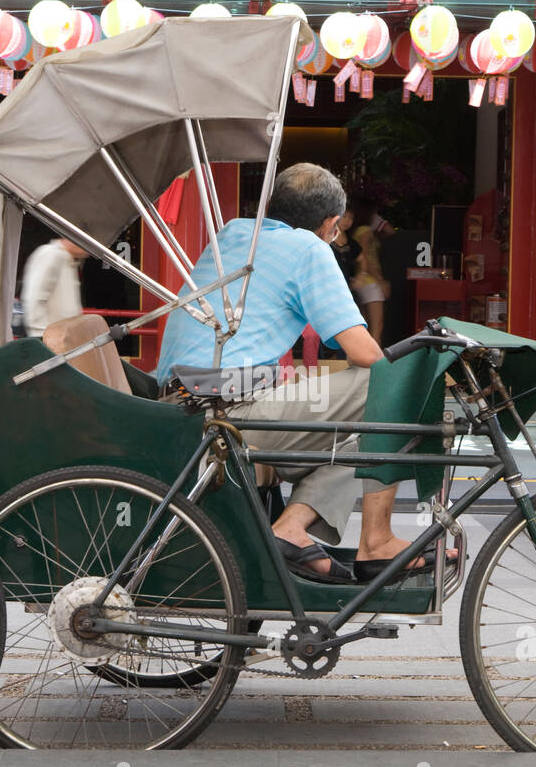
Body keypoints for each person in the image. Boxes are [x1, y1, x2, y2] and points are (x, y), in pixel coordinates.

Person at [156, 163, 453, 582]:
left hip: (185, 402)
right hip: (224, 411)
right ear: (331, 224)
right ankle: (377, 540)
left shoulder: (234, 234)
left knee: (360, 429)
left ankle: (293, 528)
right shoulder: (308, 248)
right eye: (335, 231)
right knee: (388, 385)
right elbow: (364, 355)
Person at [20, 238, 88, 337]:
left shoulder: (68, 260)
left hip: (63, 338)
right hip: (51, 340)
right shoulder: (50, 254)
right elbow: (34, 298)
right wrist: (42, 336)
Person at [348, 199, 388, 344]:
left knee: (365, 324)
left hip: (363, 281)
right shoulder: (365, 231)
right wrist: (380, 281)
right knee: (377, 326)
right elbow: (366, 257)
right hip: (371, 281)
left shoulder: (356, 232)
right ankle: (375, 362)